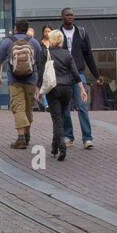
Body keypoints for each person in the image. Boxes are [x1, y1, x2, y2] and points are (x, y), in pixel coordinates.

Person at [0, 19, 46, 149]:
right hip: (31, 79)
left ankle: (21, 138)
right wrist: (38, 81)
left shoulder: (7, 42)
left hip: (14, 80)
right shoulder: (33, 42)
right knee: (28, 107)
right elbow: (39, 62)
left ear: (15, 28)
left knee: (18, 107)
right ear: (27, 29)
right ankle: (27, 134)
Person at [38, 31, 87, 161]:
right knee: (61, 116)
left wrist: (39, 91)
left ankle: (61, 145)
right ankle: (54, 146)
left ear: (51, 40)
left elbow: (41, 73)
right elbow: (75, 73)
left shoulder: (46, 53)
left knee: (56, 119)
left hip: (53, 89)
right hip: (67, 89)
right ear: (61, 41)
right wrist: (82, 90)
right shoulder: (67, 54)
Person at [58, 8, 102, 150]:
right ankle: (68, 136)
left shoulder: (82, 33)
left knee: (82, 106)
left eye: (72, 15)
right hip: (63, 74)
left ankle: (87, 138)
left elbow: (88, 55)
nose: (70, 17)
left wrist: (96, 75)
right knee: (65, 107)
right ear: (62, 17)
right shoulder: (57, 34)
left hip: (79, 73)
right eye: (67, 15)